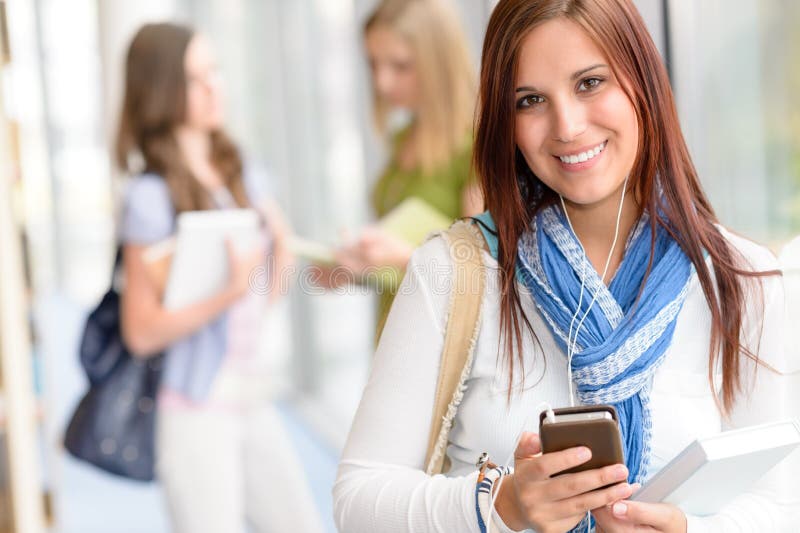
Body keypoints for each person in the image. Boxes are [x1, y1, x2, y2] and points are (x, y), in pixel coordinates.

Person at [333, 1, 798, 532]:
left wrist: (689, 530)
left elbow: (777, 507)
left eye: (589, 83)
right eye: (531, 100)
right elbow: (357, 499)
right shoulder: (455, 271)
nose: (567, 126)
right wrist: (499, 504)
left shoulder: (739, 277)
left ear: (642, 80)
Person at [116, 23, 324, 533]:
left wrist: (279, 257)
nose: (215, 87)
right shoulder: (149, 197)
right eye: (195, 78)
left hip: (251, 391)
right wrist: (228, 292)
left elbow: (262, 299)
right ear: (162, 90)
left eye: (215, 71)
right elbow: (140, 332)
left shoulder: (240, 171)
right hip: (195, 407)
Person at [316, 0, 482, 333]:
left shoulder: (477, 145)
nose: (382, 83)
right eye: (374, 65)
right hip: (394, 338)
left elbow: (484, 278)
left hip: (438, 348)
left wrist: (404, 259)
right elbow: (399, 264)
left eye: (400, 65)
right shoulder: (403, 138)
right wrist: (356, 267)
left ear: (439, 61)